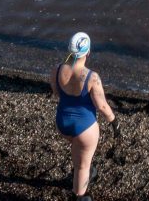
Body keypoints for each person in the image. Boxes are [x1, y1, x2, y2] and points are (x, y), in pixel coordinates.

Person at [49, 31, 117, 201]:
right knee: (82, 166)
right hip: (84, 127)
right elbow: (101, 105)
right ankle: (79, 196)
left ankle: (81, 172)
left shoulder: (57, 70)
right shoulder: (92, 77)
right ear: (88, 52)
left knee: (79, 152)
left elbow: (56, 92)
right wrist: (114, 121)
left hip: (62, 122)